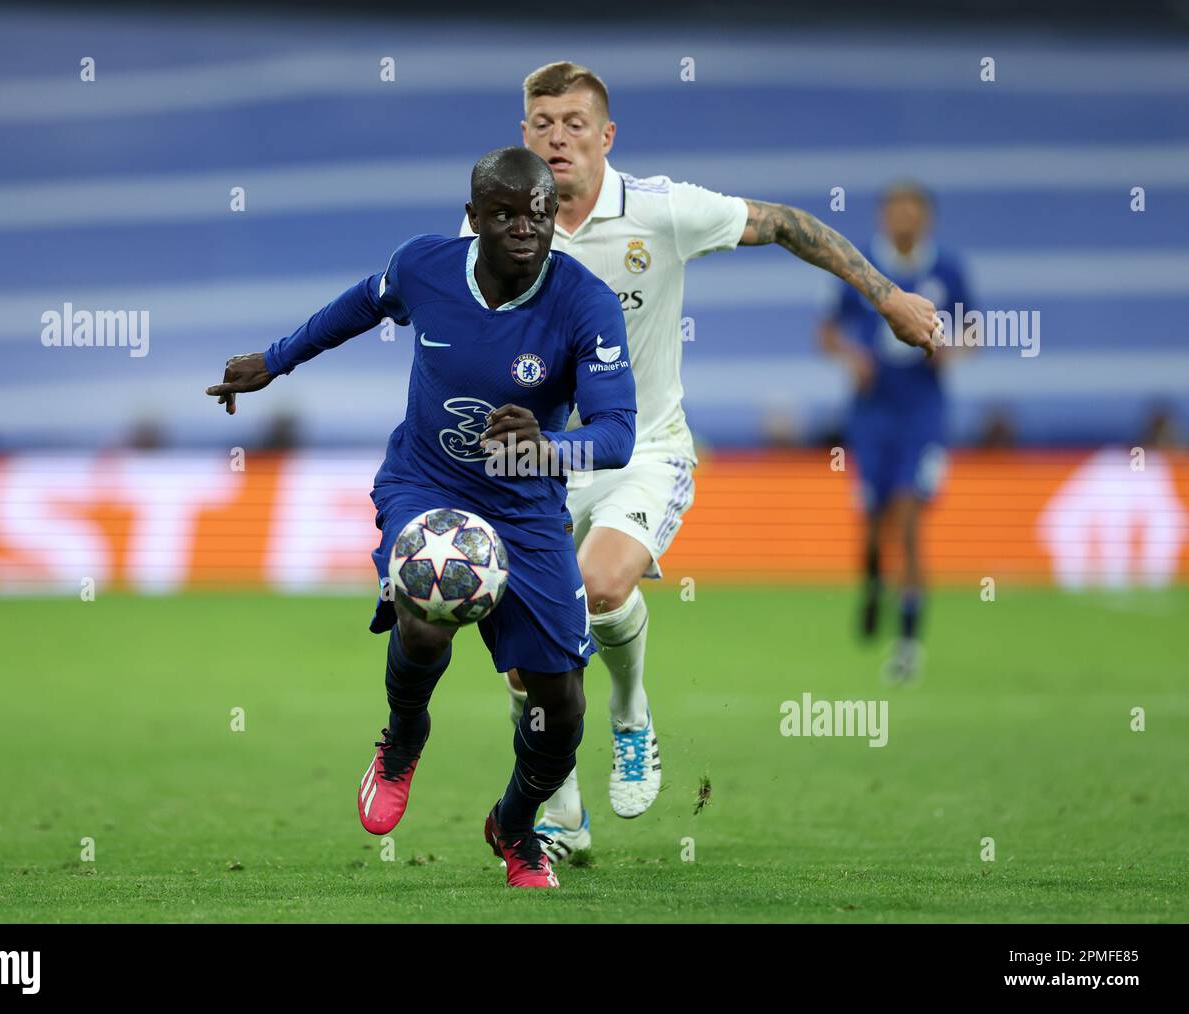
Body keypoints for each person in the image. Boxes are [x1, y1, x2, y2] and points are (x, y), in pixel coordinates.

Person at [463, 63, 941, 857]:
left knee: (599, 584)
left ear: (606, 137)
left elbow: (788, 223)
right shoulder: (490, 226)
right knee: (523, 655)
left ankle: (629, 717)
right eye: (542, 122)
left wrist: (886, 296)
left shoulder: (661, 211)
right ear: (523, 134)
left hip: (641, 450)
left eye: (575, 123)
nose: (557, 137)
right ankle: (561, 813)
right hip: (537, 462)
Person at [205, 147, 636, 888]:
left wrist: (547, 447)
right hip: (426, 483)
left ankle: (515, 824)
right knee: (427, 611)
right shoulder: (425, 268)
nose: (525, 226)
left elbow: (617, 434)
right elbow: (359, 304)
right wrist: (277, 361)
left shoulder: (586, 304)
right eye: (504, 213)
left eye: (538, 211)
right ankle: (404, 738)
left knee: (560, 708)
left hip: (528, 514)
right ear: (474, 220)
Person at [819, 182, 973, 682]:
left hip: (923, 412)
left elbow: (973, 329)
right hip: (872, 412)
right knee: (872, 521)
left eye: (913, 212)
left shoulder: (946, 268)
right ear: (884, 217)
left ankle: (906, 643)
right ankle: (871, 585)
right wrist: (851, 357)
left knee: (908, 519)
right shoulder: (861, 264)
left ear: (927, 220)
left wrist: (954, 348)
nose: (904, 220)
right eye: (896, 212)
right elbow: (827, 330)